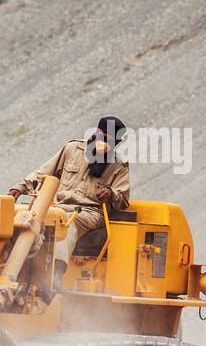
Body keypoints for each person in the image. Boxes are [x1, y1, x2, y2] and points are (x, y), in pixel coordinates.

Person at [8, 116, 130, 280]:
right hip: (59, 206)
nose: (104, 144)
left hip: (89, 213)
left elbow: (123, 199)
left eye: (109, 141)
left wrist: (111, 193)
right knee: (26, 218)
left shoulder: (119, 166)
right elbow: (43, 173)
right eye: (102, 137)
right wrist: (19, 187)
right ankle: (12, 266)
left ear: (116, 143)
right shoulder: (72, 149)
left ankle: (54, 274)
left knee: (65, 224)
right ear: (97, 132)